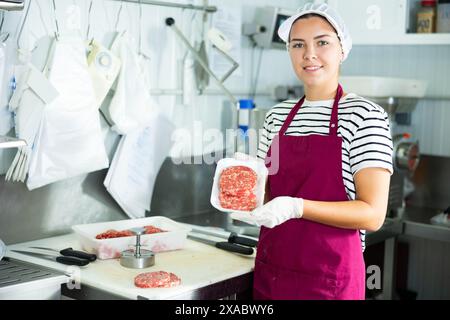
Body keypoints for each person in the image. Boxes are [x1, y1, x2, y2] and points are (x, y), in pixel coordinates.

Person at [231, 3, 393, 300]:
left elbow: (372, 214)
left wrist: (297, 207)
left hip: (330, 281)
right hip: (273, 274)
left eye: (322, 42)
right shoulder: (276, 118)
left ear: (342, 49)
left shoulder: (364, 115)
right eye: (298, 44)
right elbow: (265, 194)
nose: (309, 54)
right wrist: (239, 186)